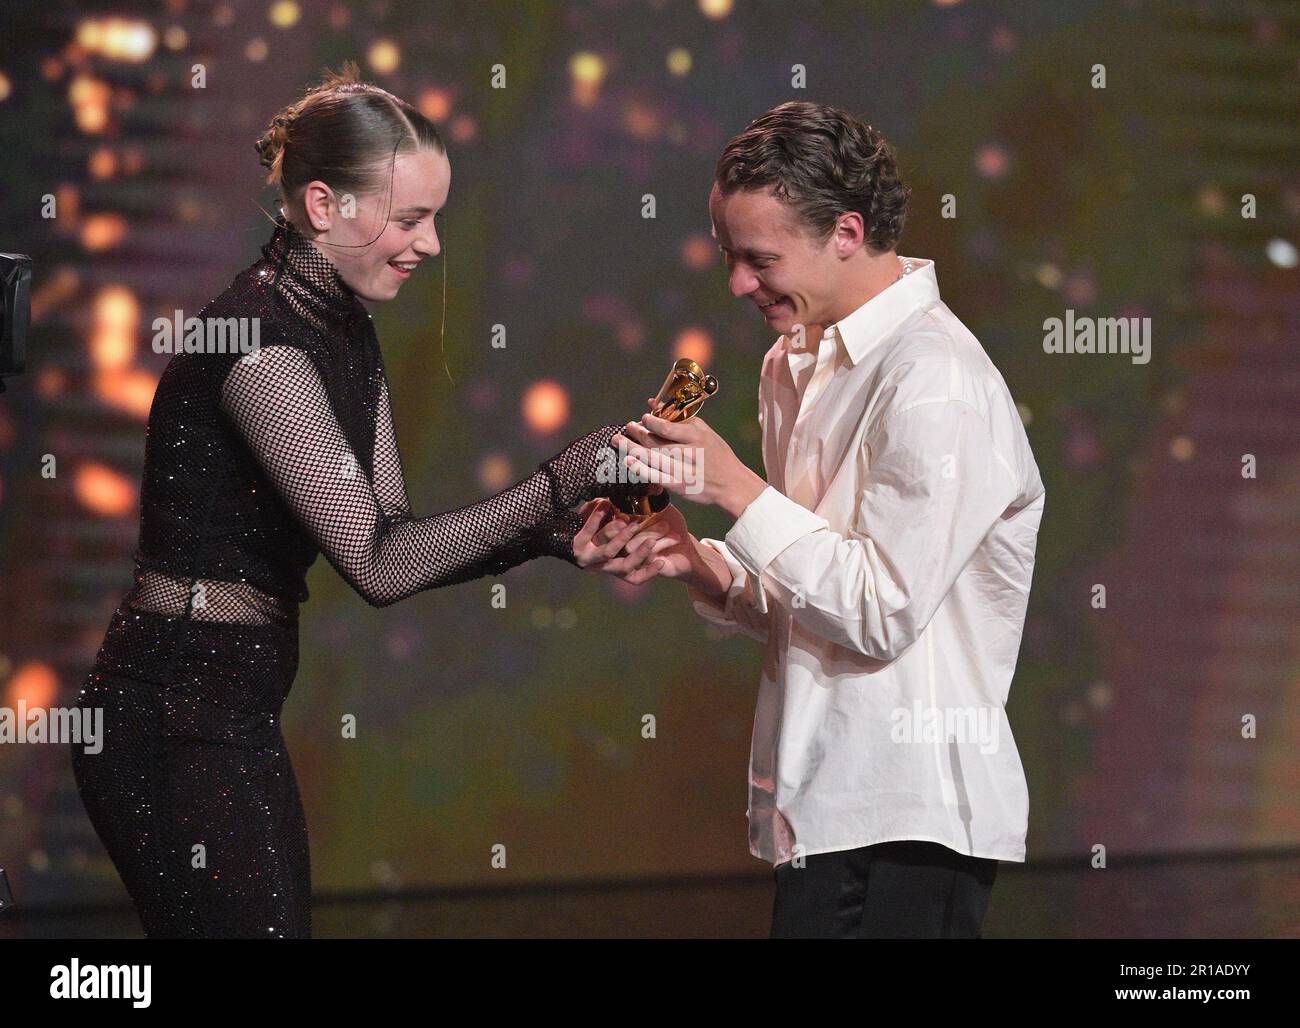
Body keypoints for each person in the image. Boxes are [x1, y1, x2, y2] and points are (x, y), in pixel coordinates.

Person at [70, 62, 656, 939]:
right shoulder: (262, 349)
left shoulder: (345, 329)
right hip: (168, 710)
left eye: (435, 218)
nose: (429, 244)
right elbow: (376, 564)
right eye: (410, 218)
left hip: (229, 705)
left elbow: (397, 543)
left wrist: (552, 535)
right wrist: (564, 475)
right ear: (321, 207)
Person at [604, 101, 1046, 938]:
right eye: (730, 257)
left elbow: (882, 611)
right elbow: (819, 594)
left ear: (846, 231)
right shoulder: (793, 365)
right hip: (824, 803)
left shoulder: (935, 378)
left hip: (907, 816)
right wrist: (699, 563)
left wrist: (735, 488)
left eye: (758, 259)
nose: (737, 284)